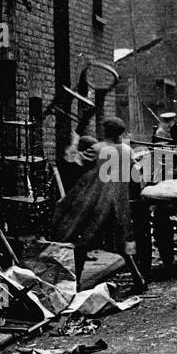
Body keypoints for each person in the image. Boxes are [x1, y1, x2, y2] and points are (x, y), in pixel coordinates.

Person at [49, 117, 147, 292]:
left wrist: (74, 139)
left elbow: (72, 160)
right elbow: (136, 173)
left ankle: (77, 284)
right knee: (122, 243)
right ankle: (138, 279)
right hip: (118, 203)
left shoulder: (98, 149)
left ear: (106, 131)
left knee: (81, 241)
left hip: (97, 203)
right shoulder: (127, 149)